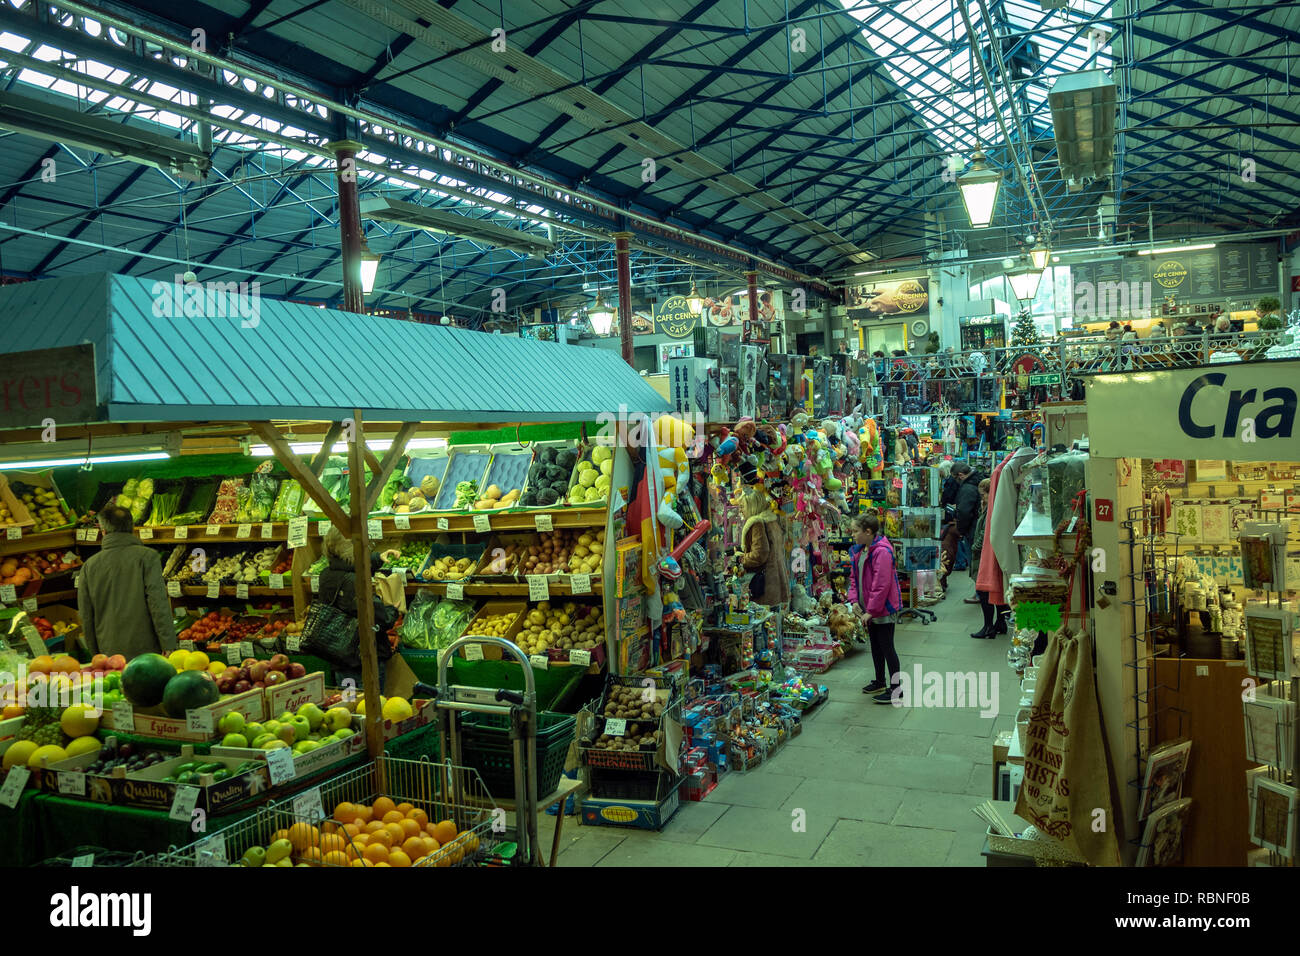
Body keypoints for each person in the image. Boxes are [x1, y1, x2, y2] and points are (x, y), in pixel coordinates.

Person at [79, 504, 177, 660]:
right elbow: (157, 603)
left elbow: (86, 614)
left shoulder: (89, 566)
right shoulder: (147, 557)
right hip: (146, 650)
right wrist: (169, 644)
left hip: (107, 650)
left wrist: (95, 653)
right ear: (132, 528)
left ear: (103, 532)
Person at [319, 527, 402, 693]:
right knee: (370, 703)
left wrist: (377, 558)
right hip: (363, 657)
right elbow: (380, 618)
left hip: (340, 656)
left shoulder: (326, 574)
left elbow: (351, 566)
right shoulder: (354, 581)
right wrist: (394, 610)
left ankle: (353, 716)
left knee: (347, 704)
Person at [846, 513, 902, 703]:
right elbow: (853, 579)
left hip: (883, 609)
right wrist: (854, 600)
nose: (852, 535)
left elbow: (882, 584)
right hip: (868, 609)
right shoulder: (860, 551)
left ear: (868, 532)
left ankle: (896, 690)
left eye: (855, 531)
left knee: (887, 647)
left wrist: (872, 610)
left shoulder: (882, 552)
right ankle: (880, 681)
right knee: (876, 647)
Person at [737, 488, 790, 607]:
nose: (740, 510)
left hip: (763, 586)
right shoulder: (772, 521)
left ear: (752, 505)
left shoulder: (757, 523)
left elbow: (759, 555)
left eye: (743, 506)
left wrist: (740, 559)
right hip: (775, 581)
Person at [938, 462, 981, 593]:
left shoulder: (967, 488)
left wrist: (961, 529)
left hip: (971, 530)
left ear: (960, 475)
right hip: (976, 527)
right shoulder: (977, 481)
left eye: (954, 478)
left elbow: (964, 512)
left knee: (975, 562)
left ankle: (979, 593)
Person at [964, 478, 992, 604]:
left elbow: (984, 532)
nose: (982, 498)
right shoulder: (987, 508)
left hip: (982, 550)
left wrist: (975, 546)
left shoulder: (990, 511)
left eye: (983, 495)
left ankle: (979, 595)